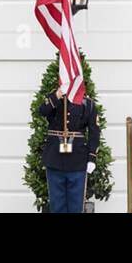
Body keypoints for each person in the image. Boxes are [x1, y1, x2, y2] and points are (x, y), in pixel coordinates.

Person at [38, 82, 100, 214]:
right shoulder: (55, 98)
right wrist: (57, 95)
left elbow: (94, 132)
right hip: (55, 159)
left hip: (77, 160)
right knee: (57, 205)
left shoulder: (88, 104)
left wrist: (92, 157)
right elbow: (42, 111)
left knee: (76, 205)